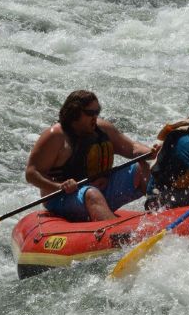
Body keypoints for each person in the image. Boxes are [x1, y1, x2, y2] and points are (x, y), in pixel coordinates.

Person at [25, 90, 156, 222]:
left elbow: (132, 148)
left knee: (141, 167)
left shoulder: (103, 129)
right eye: (90, 113)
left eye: (97, 112)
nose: (95, 117)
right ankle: (115, 231)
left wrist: (152, 151)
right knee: (92, 193)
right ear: (74, 113)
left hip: (100, 192)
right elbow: (31, 173)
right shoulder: (56, 136)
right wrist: (59, 186)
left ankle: (160, 210)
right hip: (63, 198)